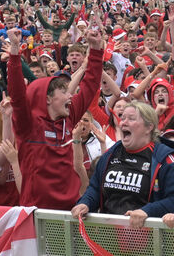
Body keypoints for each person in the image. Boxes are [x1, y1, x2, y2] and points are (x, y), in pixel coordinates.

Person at [6, 26, 104, 210]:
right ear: (48, 98)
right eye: (64, 92)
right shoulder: (28, 124)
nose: (70, 96)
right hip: (38, 213)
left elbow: (90, 85)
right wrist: (14, 50)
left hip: (70, 210)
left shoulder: (69, 117)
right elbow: (17, 95)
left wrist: (97, 50)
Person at [72, 101, 174, 228]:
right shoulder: (111, 153)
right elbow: (95, 188)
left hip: (148, 235)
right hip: (108, 234)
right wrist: (85, 203)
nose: (123, 123)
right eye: (122, 118)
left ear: (149, 127)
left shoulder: (164, 159)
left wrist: (148, 211)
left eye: (131, 119)